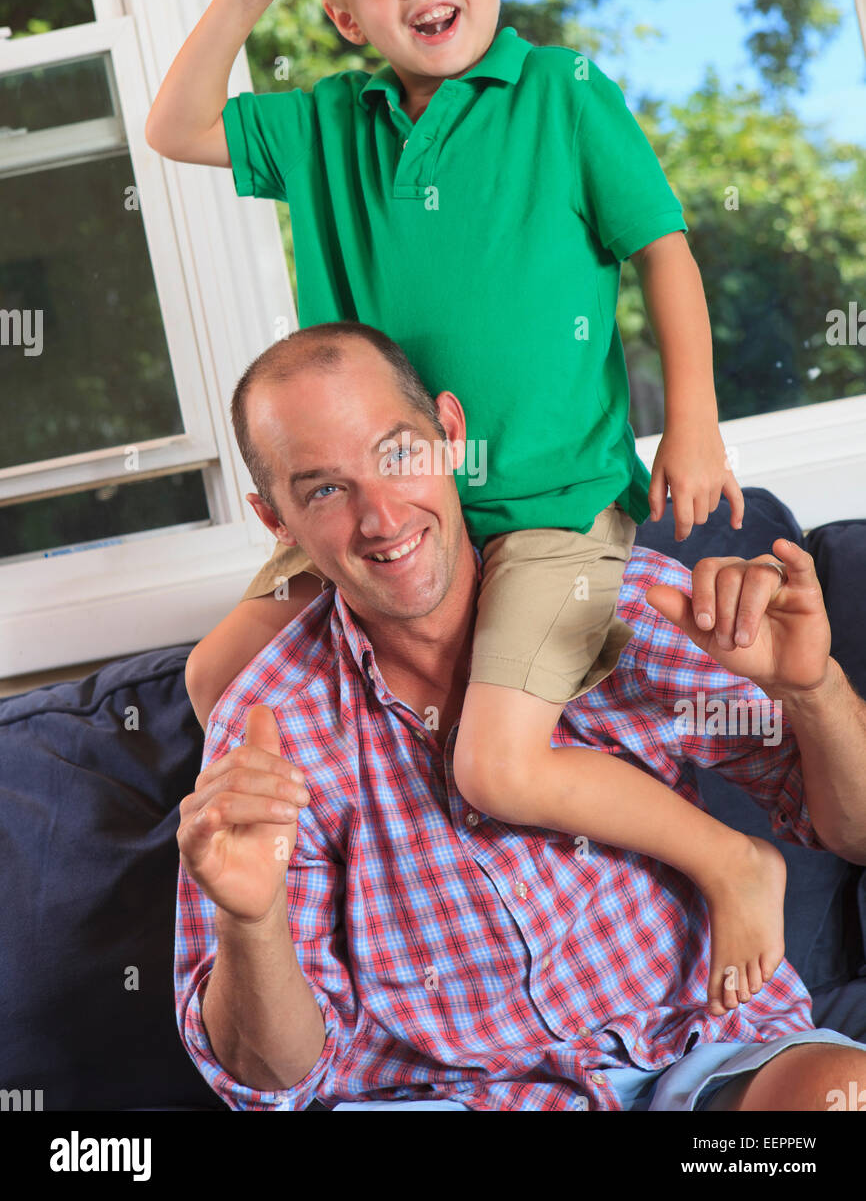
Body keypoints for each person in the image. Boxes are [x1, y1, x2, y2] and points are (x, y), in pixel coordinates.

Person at [147, 0, 782, 1019]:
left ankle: (728, 859)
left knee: (493, 761)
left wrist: (689, 425)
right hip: (384, 504)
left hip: (542, 508)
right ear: (339, 10)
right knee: (211, 677)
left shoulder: (564, 94)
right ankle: (337, 902)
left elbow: (664, 251)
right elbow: (174, 128)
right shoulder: (330, 125)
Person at [174, 325, 866, 1112]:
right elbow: (273, 1078)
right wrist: (252, 923)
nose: (381, 516)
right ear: (278, 523)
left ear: (450, 435)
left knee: (841, 1099)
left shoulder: (612, 603)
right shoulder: (266, 723)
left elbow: (855, 829)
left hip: (700, 1055)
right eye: (325, 489)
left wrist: (815, 693)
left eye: (398, 454)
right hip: (457, 1098)